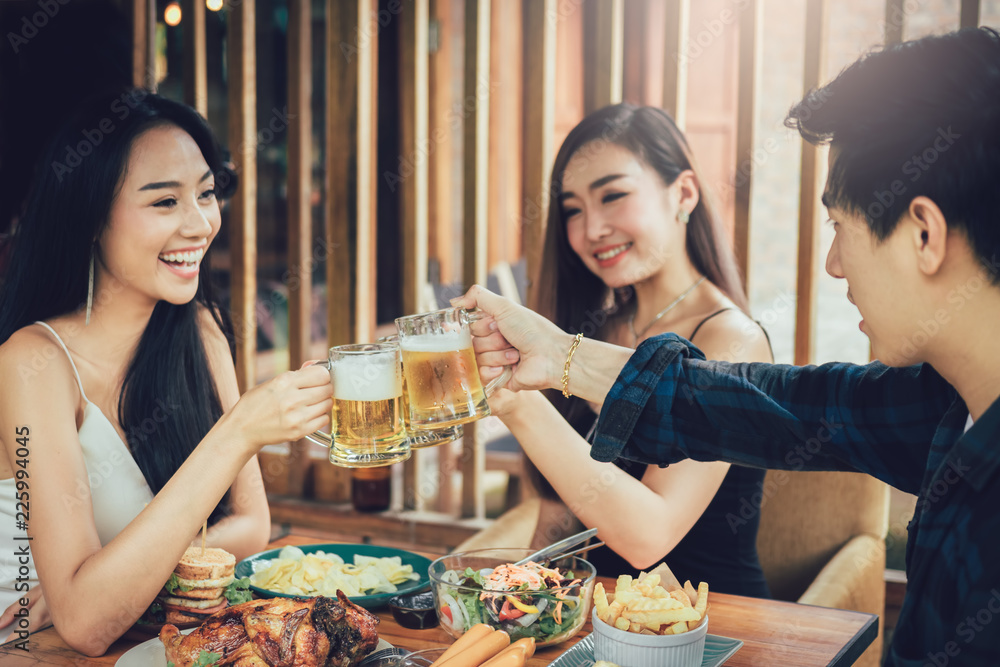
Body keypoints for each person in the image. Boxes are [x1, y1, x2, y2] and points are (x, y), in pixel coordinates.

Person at [456, 27, 1000, 664]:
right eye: (572, 207)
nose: (831, 264)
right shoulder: (939, 404)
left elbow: (649, 526)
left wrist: (524, 396)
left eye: (839, 227)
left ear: (925, 235)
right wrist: (557, 355)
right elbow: (781, 405)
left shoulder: (732, 330)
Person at [0, 90, 333, 654]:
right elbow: (84, 626)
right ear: (90, 217)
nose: (201, 224)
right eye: (164, 203)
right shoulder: (30, 365)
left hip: (144, 643)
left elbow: (253, 528)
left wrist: (113, 585)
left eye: (206, 194)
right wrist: (238, 432)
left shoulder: (199, 332)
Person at [482, 104, 772, 595]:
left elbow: (649, 536)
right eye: (573, 209)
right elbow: (562, 514)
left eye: (613, 195)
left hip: (706, 627)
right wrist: (502, 595)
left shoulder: (730, 340)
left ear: (683, 194)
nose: (591, 229)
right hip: (595, 620)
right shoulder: (592, 331)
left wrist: (516, 399)